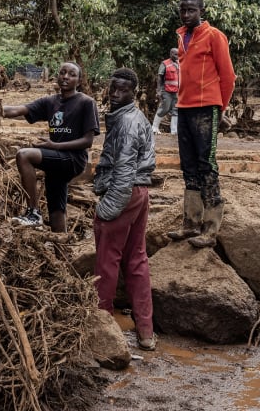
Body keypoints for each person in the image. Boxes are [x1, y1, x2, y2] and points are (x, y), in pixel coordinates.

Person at [93, 67, 157, 351]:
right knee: (137, 261)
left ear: (134, 92)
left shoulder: (127, 124)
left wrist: (106, 209)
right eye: (113, 88)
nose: (116, 94)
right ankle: (146, 331)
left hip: (125, 192)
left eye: (123, 90)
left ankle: (102, 328)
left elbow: (124, 168)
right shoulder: (136, 117)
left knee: (107, 262)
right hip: (140, 192)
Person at [167, 0, 236, 248]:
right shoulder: (181, 36)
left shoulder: (214, 35)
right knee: (188, 166)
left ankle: (211, 229)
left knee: (207, 165)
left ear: (201, 11)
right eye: (183, 10)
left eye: (191, 10)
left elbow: (228, 76)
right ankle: (190, 223)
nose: (186, 15)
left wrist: (221, 108)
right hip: (183, 107)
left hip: (207, 107)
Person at [2, 61, 99, 232]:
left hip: (73, 159)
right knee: (56, 212)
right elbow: (17, 110)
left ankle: (33, 213)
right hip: (56, 162)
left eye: (72, 74)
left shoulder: (86, 102)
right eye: (62, 72)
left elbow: (88, 141)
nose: (66, 77)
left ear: (79, 80)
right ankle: (61, 250)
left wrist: (55, 145)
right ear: (57, 76)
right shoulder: (50, 101)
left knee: (24, 155)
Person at [152, 47, 180, 135]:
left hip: (177, 91)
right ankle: (154, 127)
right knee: (165, 108)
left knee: (176, 110)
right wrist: (159, 90)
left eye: (178, 54)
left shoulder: (180, 64)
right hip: (167, 91)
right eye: (175, 54)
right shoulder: (165, 63)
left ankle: (174, 131)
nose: (177, 56)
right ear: (171, 54)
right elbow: (160, 77)